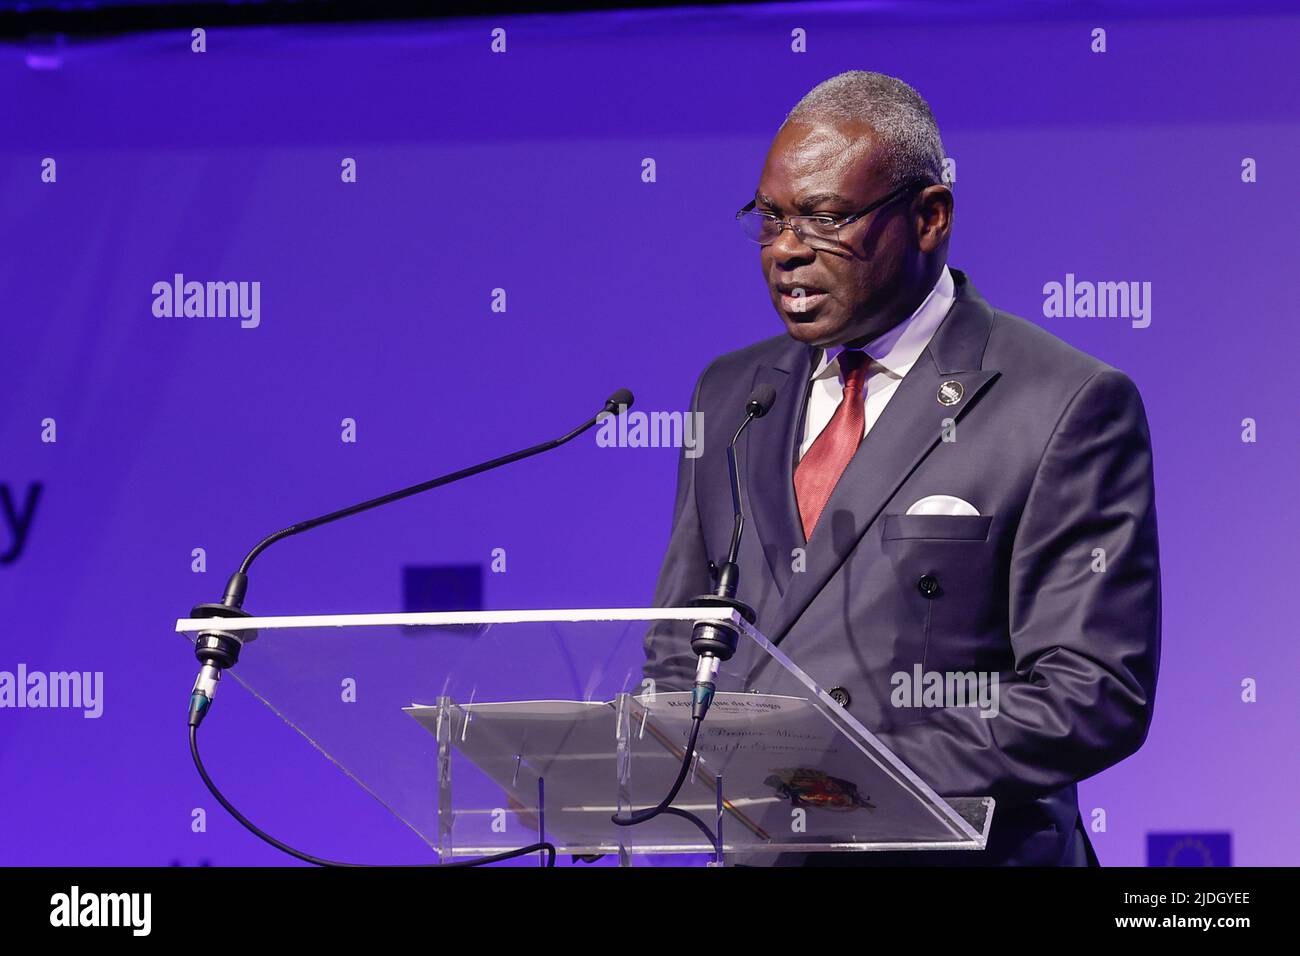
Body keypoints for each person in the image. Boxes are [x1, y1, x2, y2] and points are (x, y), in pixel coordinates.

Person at [642, 70, 1160, 866]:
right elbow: (685, 638)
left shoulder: (1065, 401)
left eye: (822, 217)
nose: (785, 250)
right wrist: (639, 753)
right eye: (772, 218)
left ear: (929, 218)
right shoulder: (728, 395)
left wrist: (851, 772)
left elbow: (1091, 693)